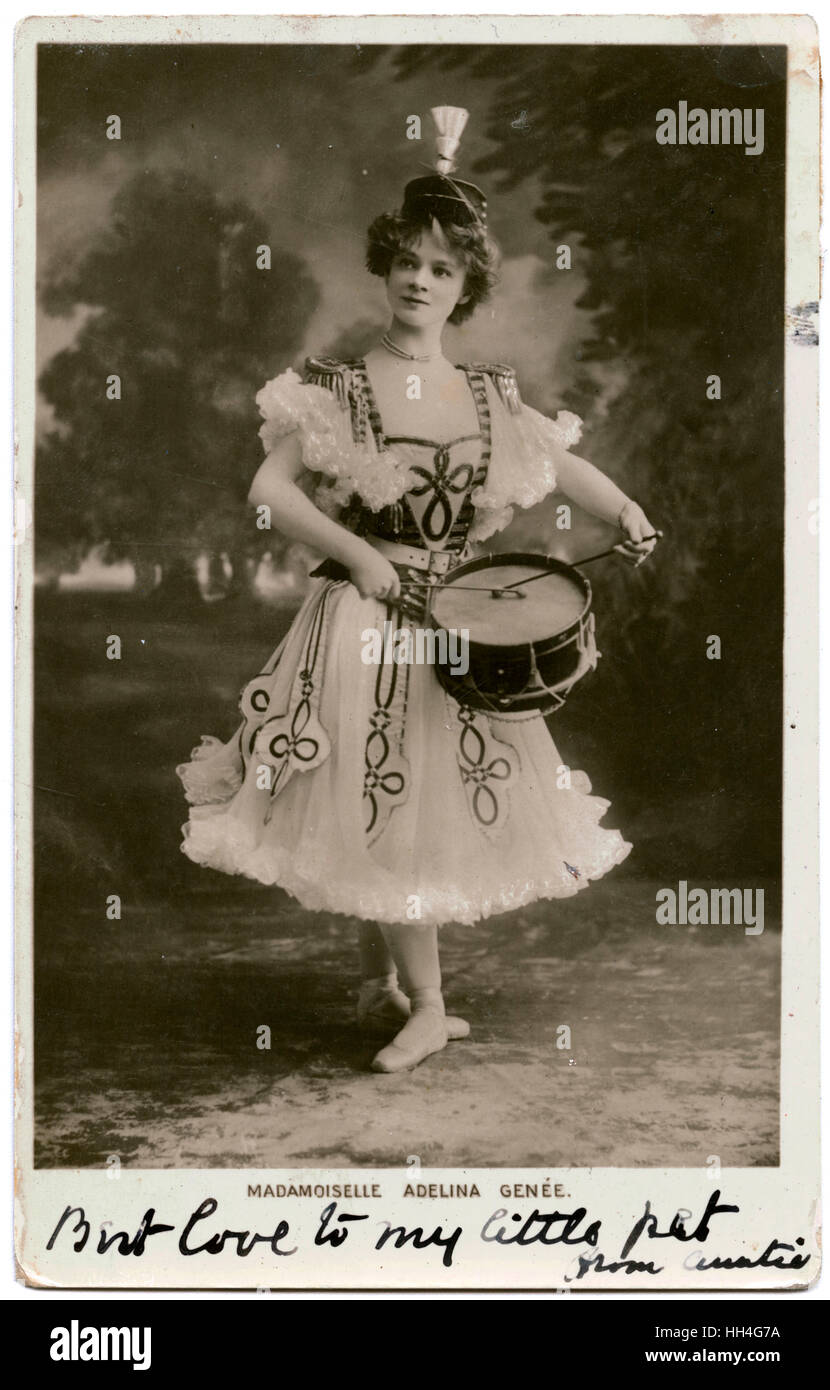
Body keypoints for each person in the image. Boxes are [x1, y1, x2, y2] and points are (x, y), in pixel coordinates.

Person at [176, 108, 658, 1075]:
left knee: (414, 799)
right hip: (366, 622)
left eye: (442, 268)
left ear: (466, 285)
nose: (419, 279)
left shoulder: (483, 394)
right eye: (405, 258)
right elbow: (267, 492)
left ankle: (403, 990)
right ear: (383, 264)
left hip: (460, 622)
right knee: (376, 796)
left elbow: (562, 467)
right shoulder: (339, 387)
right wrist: (356, 552)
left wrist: (629, 512)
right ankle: (418, 1001)